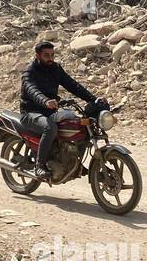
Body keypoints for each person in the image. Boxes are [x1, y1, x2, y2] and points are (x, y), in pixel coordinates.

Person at [20, 40, 97, 180]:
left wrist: (94, 99)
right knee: (50, 129)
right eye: (46, 55)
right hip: (31, 112)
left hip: (50, 110)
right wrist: (45, 101)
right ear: (37, 56)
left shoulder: (55, 68)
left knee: (82, 126)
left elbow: (72, 85)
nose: (50, 58)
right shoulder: (29, 71)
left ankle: (75, 162)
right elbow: (32, 90)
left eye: (52, 55)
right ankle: (40, 166)